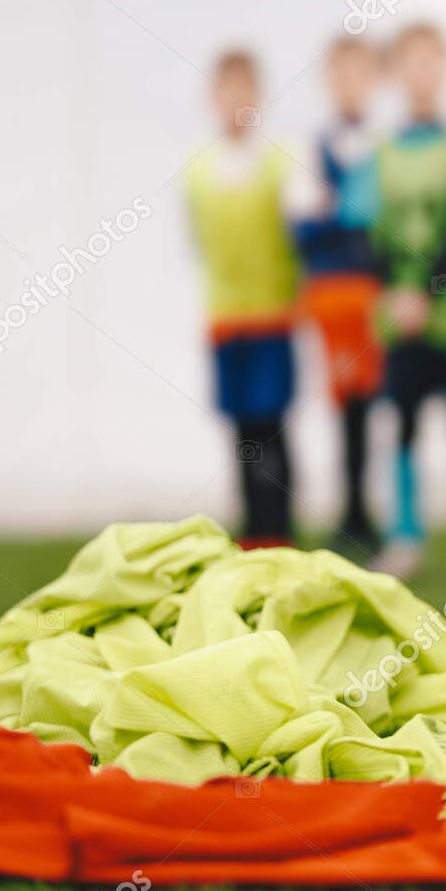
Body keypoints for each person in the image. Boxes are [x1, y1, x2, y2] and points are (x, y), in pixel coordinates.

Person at [356, 23, 446, 581]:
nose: (422, 73)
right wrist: (399, 293)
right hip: (401, 317)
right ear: (397, 73)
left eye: (432, 62)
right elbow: (371, 235)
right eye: (411, 62)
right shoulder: (380, 155)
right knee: (405, 423)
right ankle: (406, 535)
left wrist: (427, 293)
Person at [186, 50, 312, 549]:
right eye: (228, 89)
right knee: (241, 432)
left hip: (273, 319)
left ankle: (279, 531)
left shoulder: (282, 162)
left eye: (247, 89)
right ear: (213, 98)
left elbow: (302, 232)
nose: (237, 100)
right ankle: (252, 535)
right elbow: (199, 240)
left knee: (272, 428)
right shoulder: (199, 171)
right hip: (226, 320)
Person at [296, 37, 385, 558]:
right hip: (331, 295)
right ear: (328, 82)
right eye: (340, 75)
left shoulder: (383, 147)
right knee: (344, 398)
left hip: (372, 294)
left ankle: (368, 514)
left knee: (370, 400)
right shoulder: (313, 149)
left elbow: (385, 225)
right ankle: (351, 512)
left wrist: (339, 212)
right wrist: (340, 215)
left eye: (359, 74)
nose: (350, 84)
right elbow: (303, 229)